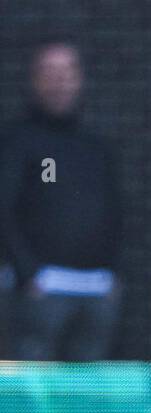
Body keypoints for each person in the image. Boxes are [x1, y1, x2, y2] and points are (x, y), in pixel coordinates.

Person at [0, 41, 122, 360]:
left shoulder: (96, 146)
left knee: (88, 383)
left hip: (95, 288)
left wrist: (111, 274)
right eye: (50, 72)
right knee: (33, 381)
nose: (59, 82)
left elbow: (115, 212)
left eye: (67, 72)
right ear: (34, 79)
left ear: (79, 79)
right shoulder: (17, 142)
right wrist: (28, 274)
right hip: (40, 289)